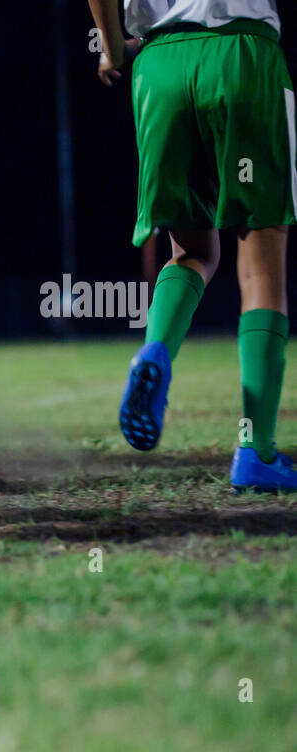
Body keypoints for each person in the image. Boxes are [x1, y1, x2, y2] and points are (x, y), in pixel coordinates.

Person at [88, 0, 296, 490]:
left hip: (161, 68)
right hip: (241, 55)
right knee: (260, 268)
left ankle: (155, 351)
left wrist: (113, 50)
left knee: (193, 251)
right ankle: (255, 450)